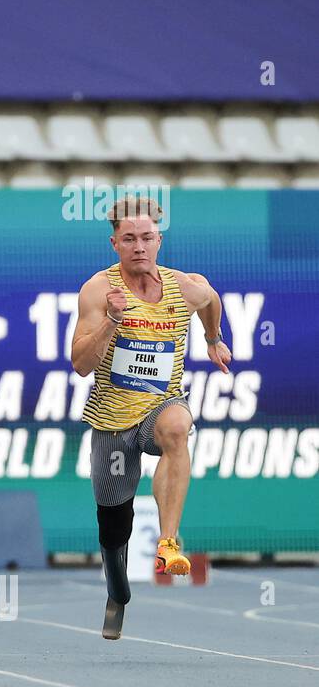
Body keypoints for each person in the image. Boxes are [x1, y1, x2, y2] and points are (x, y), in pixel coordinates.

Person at [71, 196, 232, 637]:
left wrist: (213, 339)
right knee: (113, 523)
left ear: (159, 240)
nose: (139, 246)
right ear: (115, 244)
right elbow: (81, 364)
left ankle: (168, 543)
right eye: (129, 239)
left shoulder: (186, 286)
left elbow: (211, 299)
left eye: (146, 237)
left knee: (178, 428)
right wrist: (110, 322)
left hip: (160, 406)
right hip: (112, 420)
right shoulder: (98, 291)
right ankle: (117, 591)